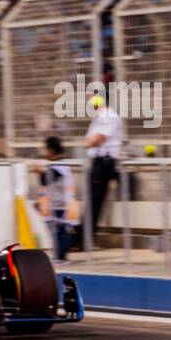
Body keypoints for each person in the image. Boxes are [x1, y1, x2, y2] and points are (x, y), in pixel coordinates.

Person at [84, 92, 123, 244]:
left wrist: (89, 143)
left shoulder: (108, 116)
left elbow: (96, 140)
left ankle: (86, 239)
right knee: (92, 202)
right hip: (97, 161)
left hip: (104, 162)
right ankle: (84, 237)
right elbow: (90, 139)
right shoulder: (100, 118)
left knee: (95, 202)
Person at [37, 136, 78, 263]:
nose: (45, 153)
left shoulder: (59, 166)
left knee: (60, 230)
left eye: (46, 149)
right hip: (59, 203)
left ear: (52, 150)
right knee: (58, 230)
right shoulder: (59, 164)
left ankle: (61, 256)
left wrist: (39, 172)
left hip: (61, 204)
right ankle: (60, 255)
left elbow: (47, 180)